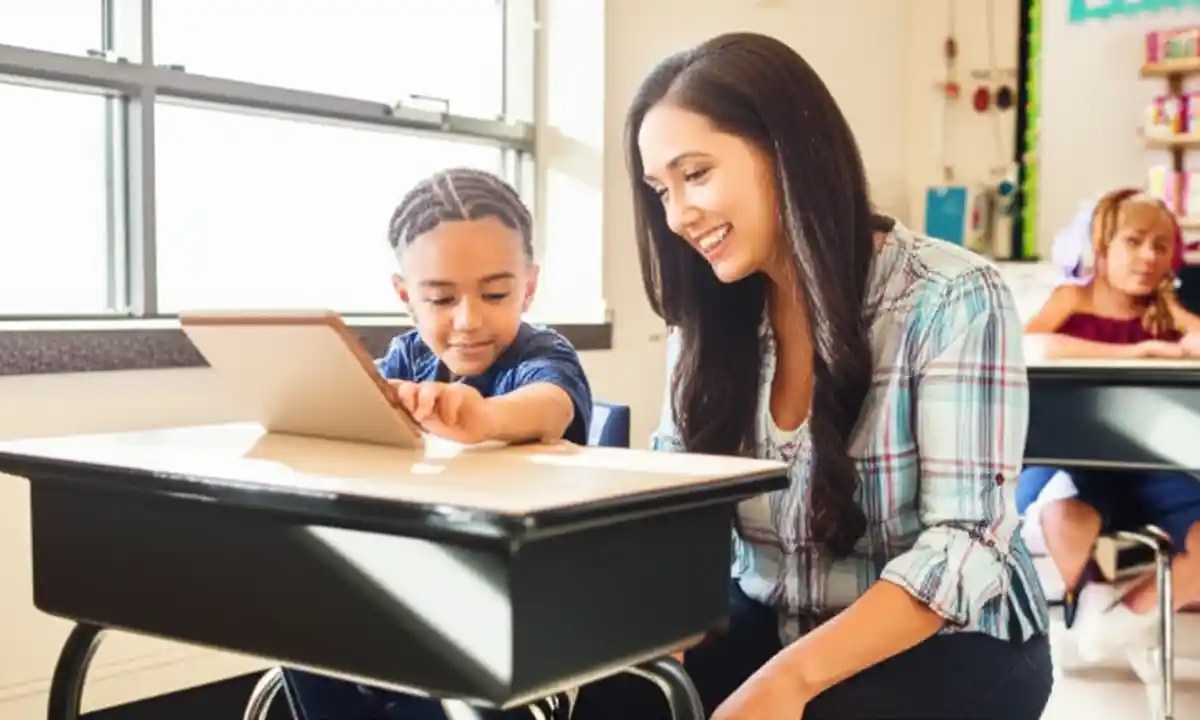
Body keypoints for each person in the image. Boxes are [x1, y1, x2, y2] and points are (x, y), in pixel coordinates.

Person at [573, 32, 1052, 720]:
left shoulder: (951, 297)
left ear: (785, 150)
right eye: (661, 191)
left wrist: (787, 684)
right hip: (774, 618)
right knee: (616, 693)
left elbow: (965, 543)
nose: (677, 216)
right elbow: (678, 504)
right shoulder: (704, 322)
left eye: (697, 174)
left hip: (951, 637)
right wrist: (664, 619)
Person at [284, 167, 592, 720]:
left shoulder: (543, 355)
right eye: (442, 298)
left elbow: (550, 404)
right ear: (406, 297)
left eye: (496, 293)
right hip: (411, 597)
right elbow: (348, 412)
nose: (469, 320)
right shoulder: (407, 359)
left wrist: (486, 417)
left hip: (509, 614)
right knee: (295, 622)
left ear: (529, 285)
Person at [1018, 188, 1200, 667]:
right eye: (1134, 241)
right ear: (1101, 245)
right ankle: (1085, 603)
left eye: (1161, 247)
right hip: (1073, 461)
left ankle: (1125, 621)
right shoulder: (1070, 299)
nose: (1148, 256)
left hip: (1153, 469)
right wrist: (1135, 353)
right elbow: (1030, 347)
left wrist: (1181, 332)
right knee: (1063, 517)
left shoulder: (1163, 315)